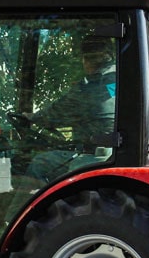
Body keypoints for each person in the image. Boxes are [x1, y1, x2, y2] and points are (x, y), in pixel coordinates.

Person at [20, 34, 117, 180]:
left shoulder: (90, 87)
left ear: (86, 60)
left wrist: (33, 117)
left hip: (93, 157)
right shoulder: (120, 78)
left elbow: (55, 114)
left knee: (39, 163)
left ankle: (24, 203)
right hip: (113, 153)